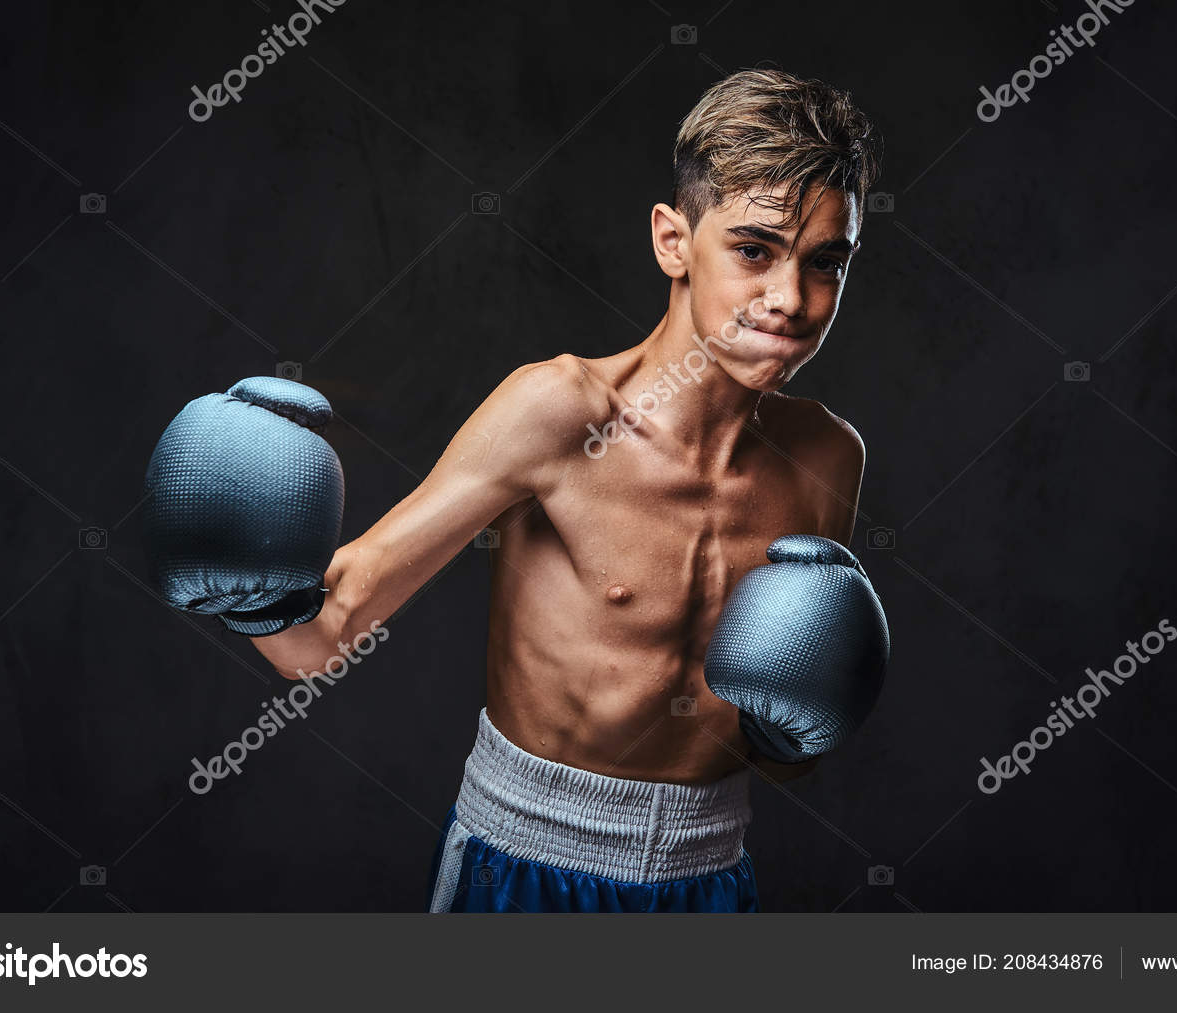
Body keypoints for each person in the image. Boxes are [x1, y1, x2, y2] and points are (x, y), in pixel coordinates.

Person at [145, 68, 890, 912]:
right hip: (528, 866)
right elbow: (327, 632)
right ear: (673, 241)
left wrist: (795, 731)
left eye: (826, 262)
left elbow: (787, 753)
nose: (789, 299)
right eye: (754, 250)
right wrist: (248, 590)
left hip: (711, 877)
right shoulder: (560, 411)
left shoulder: (829, 457)